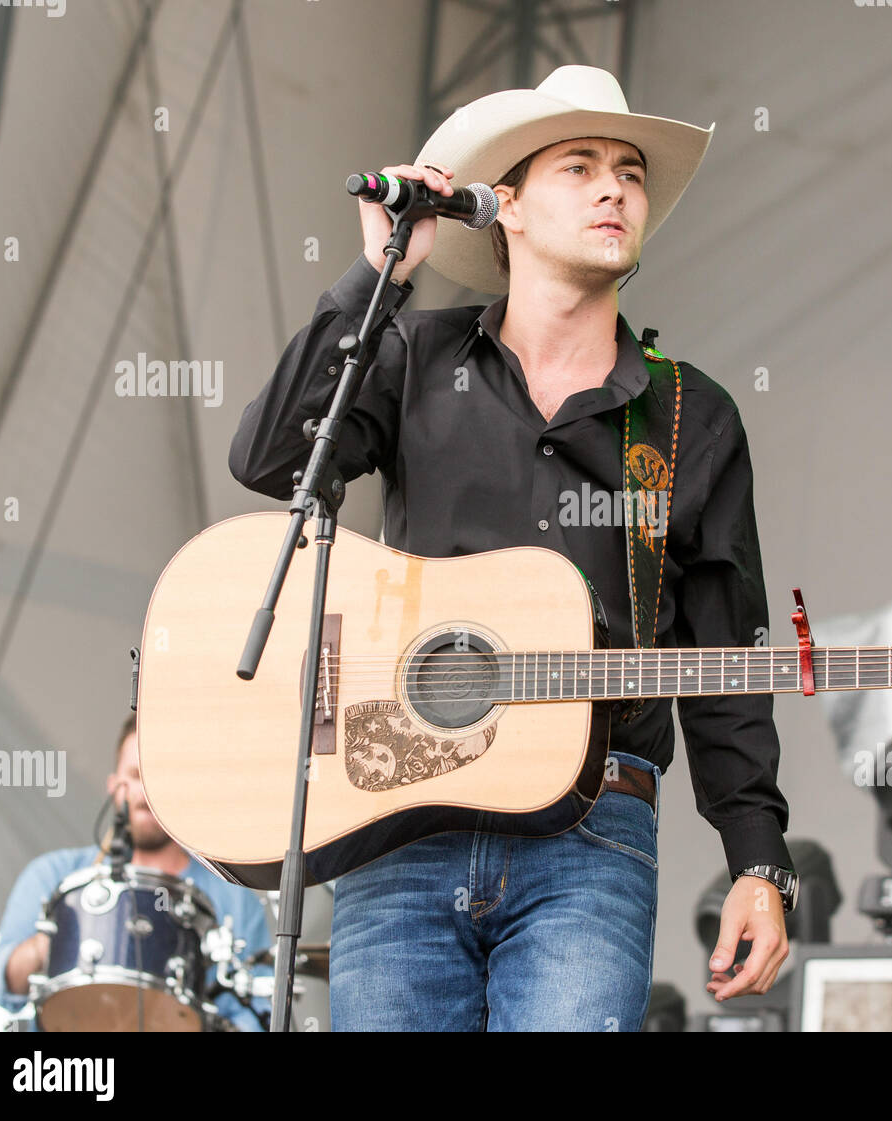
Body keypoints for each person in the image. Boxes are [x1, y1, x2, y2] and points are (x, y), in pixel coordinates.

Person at [229, 64, 797, 1031]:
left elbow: (725, 653)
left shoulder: (690, 414)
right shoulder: (411, 355)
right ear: (510, 211)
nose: (616, 186)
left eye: (630, 171)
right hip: (393, 815)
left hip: (592, 825)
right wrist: (379, 276)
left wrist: (757, 859)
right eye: (579, 166)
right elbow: (271, 455)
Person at [0, 714, 271, 1031]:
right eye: (136, 775)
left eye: (158, 779)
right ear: (113, 785)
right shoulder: (53, 874)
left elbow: (258, 1013)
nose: (145, 794)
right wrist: (54, 938)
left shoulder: (232, 892)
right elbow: (1, 982)